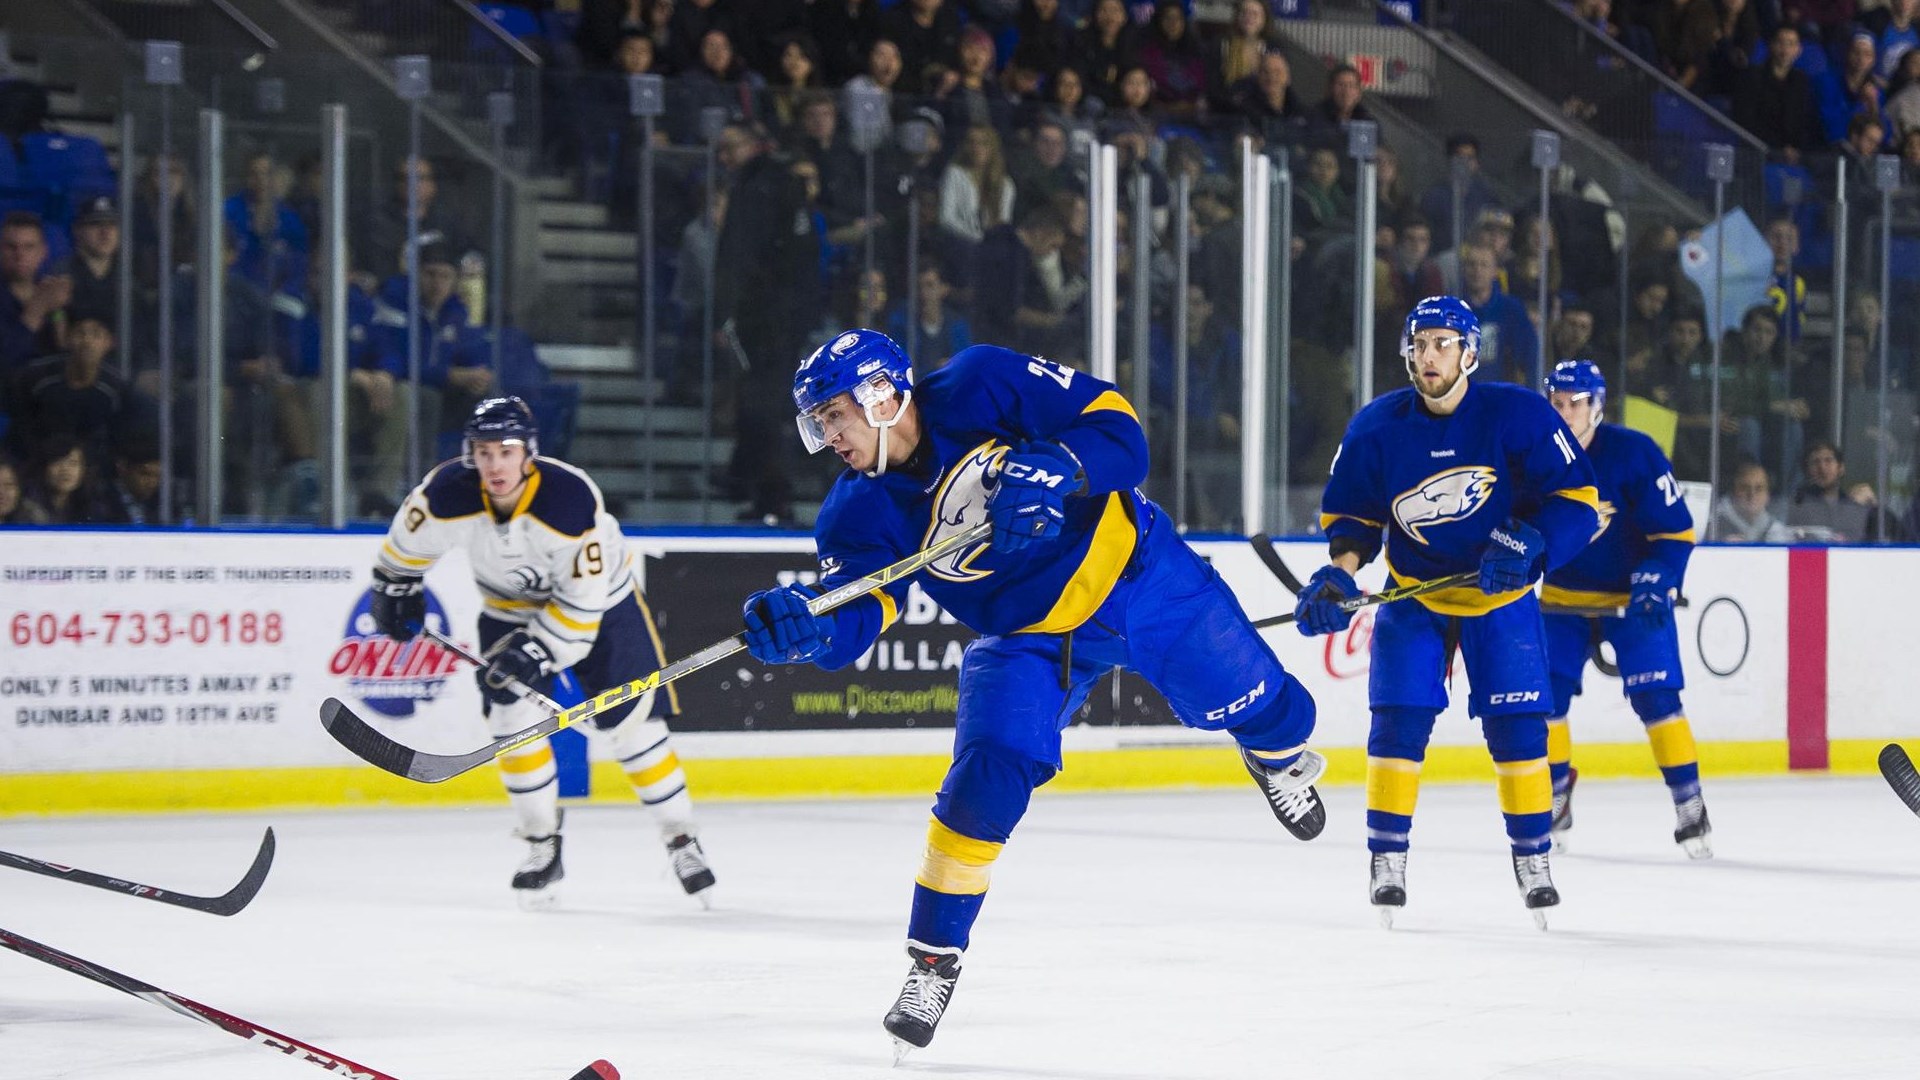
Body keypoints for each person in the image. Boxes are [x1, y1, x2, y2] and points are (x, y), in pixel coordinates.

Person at [739, 330, 1325, 1056]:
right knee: (984, 776)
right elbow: (860, 613)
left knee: (1270, 708)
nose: (828, 436)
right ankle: (932, 961)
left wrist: (1060, 465)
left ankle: (1274, 758)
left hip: (1140, 578)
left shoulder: (982, 382)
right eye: (818, 422)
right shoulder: (854, 515)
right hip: (1026, 640)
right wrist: (810, 630)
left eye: (835, 414)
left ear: (883, 395)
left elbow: (1122, 434)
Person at [1298, 296, 1601, 929]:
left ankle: (1533, 856)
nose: (1428, 355)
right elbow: (1356, 519)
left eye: (1442, 343)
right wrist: (1340, 574)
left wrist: (1532, 542)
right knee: (1398, 722)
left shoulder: (1518, 414)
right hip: (1417, 594)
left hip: (1501, 599)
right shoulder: (1377, 426)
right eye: (1419, 343)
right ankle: (1386, 858)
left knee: (1519, 729)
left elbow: (1576, 500)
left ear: (1470, 353)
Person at [368, 397, 716, 908]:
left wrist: (535, 653)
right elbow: (402, 549)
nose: (494, 465)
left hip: (605, 607)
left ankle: (682, 839)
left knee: (636, 729)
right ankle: (540, 844)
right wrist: (394, 587)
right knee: (512, 724)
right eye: (483, 452)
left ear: (528, 453)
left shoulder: (569, 500)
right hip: (507, 611)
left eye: (505, 451)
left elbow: (582, 611)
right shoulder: (447, 492)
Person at [1538, 360, 1712, 859]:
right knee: (1543, 701)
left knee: (1658, 699)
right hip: (1562, 600)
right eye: (1558, 402)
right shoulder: (1534, 455)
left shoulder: (1634, 452)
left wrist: (1659, 573)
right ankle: (1554, 793)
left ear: (1598, 406)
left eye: (1576, 403)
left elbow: (1675, 531)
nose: (1566, 412)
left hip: (1632, 601)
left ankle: (1689, 801)